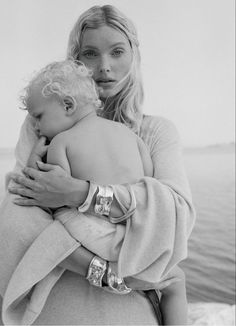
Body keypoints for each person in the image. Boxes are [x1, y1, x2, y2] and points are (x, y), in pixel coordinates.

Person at [0, 5, 195, 325]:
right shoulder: (44, 124)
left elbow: (177, 216)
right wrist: (106, 274)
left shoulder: (154, 131)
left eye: (117, 51)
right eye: (90, 54)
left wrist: (79, 193)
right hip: (58, 299)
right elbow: (18, 211)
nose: (105, 67)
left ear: (134, 54)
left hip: (126, 306)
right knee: (175, 281)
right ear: (76, 60)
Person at [24, 59, 188, 325]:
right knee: (176, 281)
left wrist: (34, 164)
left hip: (96, 244)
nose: (34, 126)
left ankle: (111, 274)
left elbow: (48, 196)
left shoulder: (61, 144)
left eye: (38, 116)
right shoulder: (131, 137)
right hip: (136, 240)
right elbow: (147, 187)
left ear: (68, 105)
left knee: (54, 222)